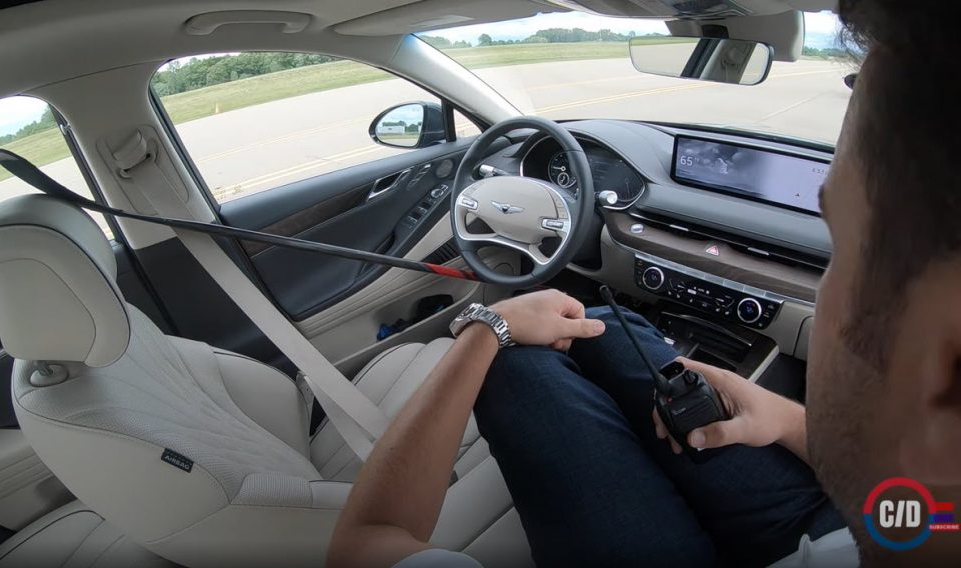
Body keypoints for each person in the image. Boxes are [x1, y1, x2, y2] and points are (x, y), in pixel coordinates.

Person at [328, 1, 961, 566]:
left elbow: (367, 541)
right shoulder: (934, 516)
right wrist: (792, 421)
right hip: (848, 522)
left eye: (842, 244)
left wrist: (486, 329)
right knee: (609, 328)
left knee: (517, 360)